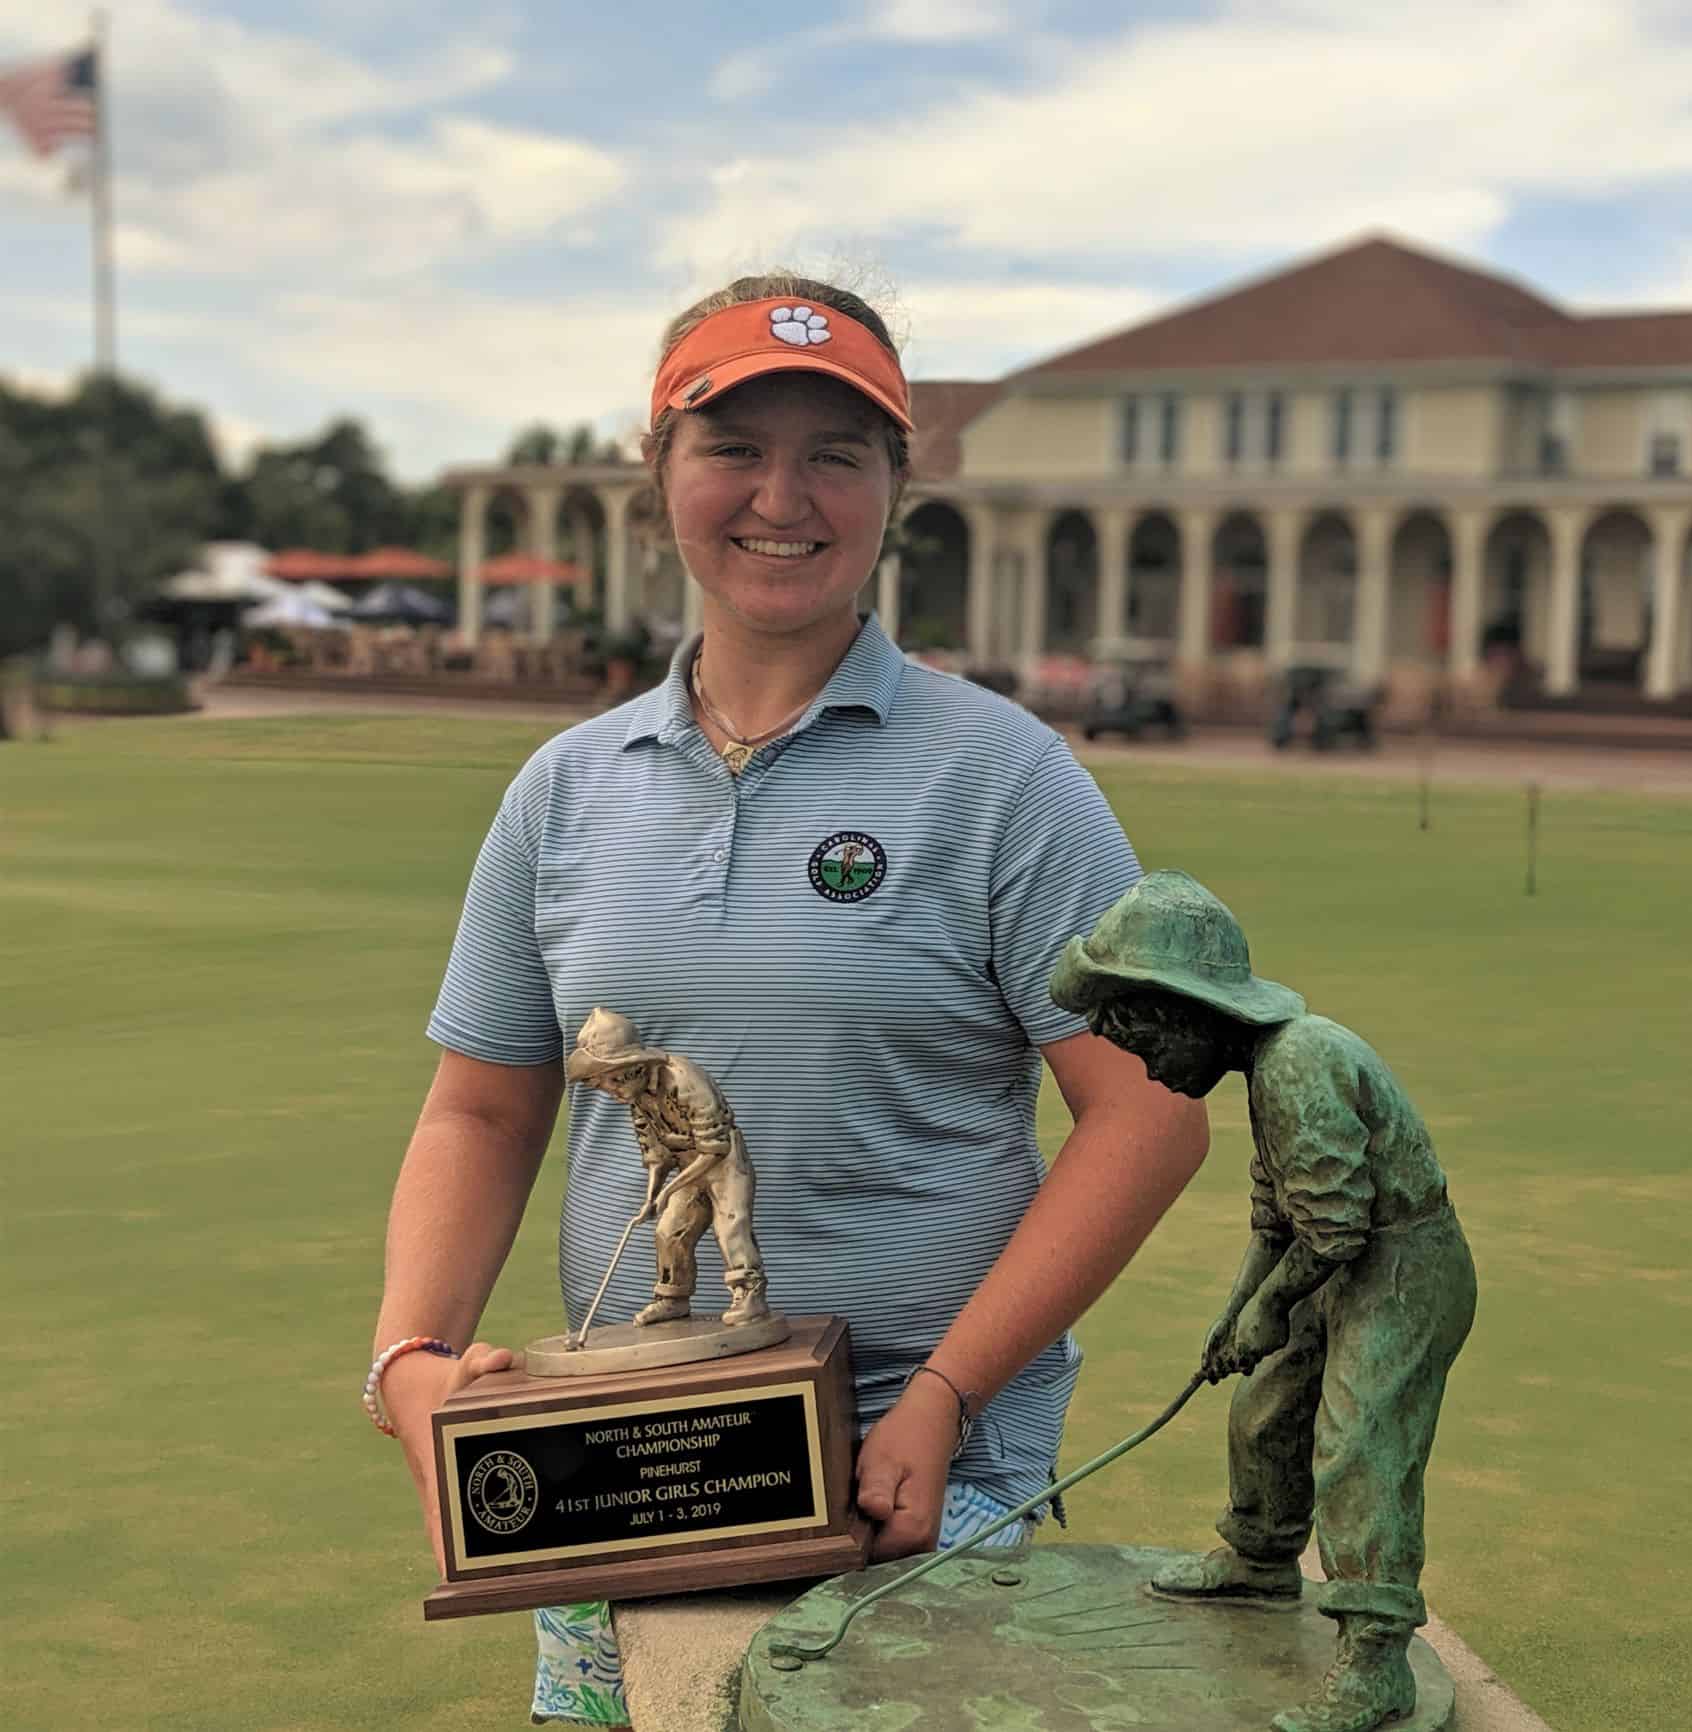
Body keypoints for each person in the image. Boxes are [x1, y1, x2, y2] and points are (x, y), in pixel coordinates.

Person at [367, 275, 1208, 1729]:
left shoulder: (1003, 777)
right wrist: (410, 1360)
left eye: (837, 452)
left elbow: (1146, 1117)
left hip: (915, 1477)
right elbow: (484, 1104)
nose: (783, 496)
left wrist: (949, 1390)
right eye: (734, 447)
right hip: (620, 1471)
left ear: (897, 489)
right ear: (660, 475)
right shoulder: (565, 790)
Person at [1049, 870, 1478, 1732]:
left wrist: (1268, 1311)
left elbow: (1334, 1230)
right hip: (1342, 1255)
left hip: (1400, 1270)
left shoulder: (1297, 1060)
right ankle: (1259, 1559)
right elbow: (1277, 1211)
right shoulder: (1265, 1069)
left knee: (1360, 1444)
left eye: (1149, 1048)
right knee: (1265, 1408)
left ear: (1190, 1014)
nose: (1151, 1074)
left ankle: (1372, 1657)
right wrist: (1239, 1307)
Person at [563, 1007, 768, 1327]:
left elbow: (714, 1149)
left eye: (613, 1082)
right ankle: (673, 1298)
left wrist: (668, 1190)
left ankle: (750, 1295)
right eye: (603, 1086)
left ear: (634, 1068)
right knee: (668, 1229)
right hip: (689, 1164)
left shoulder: (685, 1081)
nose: (612, 1093)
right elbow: (656, 1154)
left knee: (730, 1226)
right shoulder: (637, 1097)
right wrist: (651, 1198)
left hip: (724, 1163)